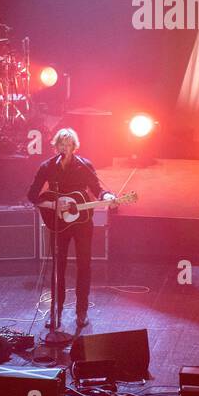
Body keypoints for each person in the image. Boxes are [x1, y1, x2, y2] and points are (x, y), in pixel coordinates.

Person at [26, 128, 115, 331]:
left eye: (69, 145)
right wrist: (54, 206)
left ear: (75, 146)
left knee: (84, 265)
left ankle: (81, 311)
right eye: (61, 145)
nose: (65, 149)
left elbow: (97, 188)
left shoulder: (84, 165)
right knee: (59, 266)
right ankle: (55, 310)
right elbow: (32, 195)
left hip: (83, 223)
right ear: (56, 146)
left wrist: (107, 197)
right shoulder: (47, 167)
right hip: (59, 223)